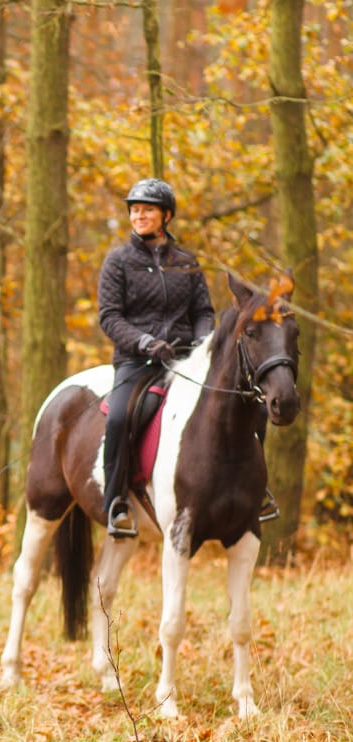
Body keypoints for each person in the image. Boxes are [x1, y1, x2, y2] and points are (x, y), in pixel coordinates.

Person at [97, 178, 215, 538]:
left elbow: (203, 312)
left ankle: (255, 493)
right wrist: (146, 342)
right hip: (137, 362)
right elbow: (109, 316)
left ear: (166, 215)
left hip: (184, 360)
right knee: (120, 417)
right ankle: (116, 501)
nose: (138, 215)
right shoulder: (118, 261)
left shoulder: (186, 262)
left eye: (147, 209)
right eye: (134, 210)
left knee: (241, 403)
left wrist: (201, 344)